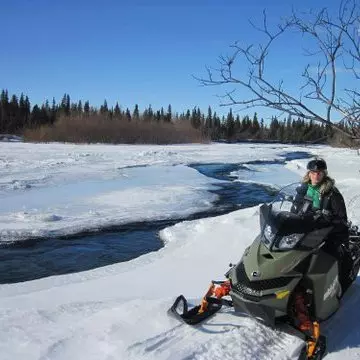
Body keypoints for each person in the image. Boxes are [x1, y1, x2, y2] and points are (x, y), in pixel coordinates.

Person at [293, 158, 352, 291]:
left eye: (319, 173)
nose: (316, 176)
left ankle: (339, 284)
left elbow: (341, 218)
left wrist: (327, 219)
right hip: (307, 230)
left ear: (324, 174)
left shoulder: (332, 193)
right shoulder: (302, 190)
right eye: (313, 173)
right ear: (308, 174)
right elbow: (294, 210)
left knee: (330, 256)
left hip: (329, 232)